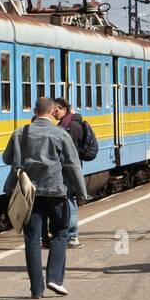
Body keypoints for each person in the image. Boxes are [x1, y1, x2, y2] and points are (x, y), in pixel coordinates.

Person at [3, 97, 89, 298]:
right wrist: (82, 192)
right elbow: (72, 165)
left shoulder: (20, 132)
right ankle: (54, 279)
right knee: (60, 232)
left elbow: (7, 158)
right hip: (56, 192)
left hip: (29, 194)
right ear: (52, 112)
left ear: (35, 110)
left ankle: (36, 289)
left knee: (32, 238)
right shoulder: (60, 134)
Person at [52, 97, 87, 248]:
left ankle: (73, 236)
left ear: (64, 110)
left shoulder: (71, 127)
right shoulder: (66, 124)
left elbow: (69, 153)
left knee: (70, 202)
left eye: (56, 109)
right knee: (68, 201)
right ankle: (68, 235)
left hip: (69, 169)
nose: (53, 113)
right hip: (68, 168)